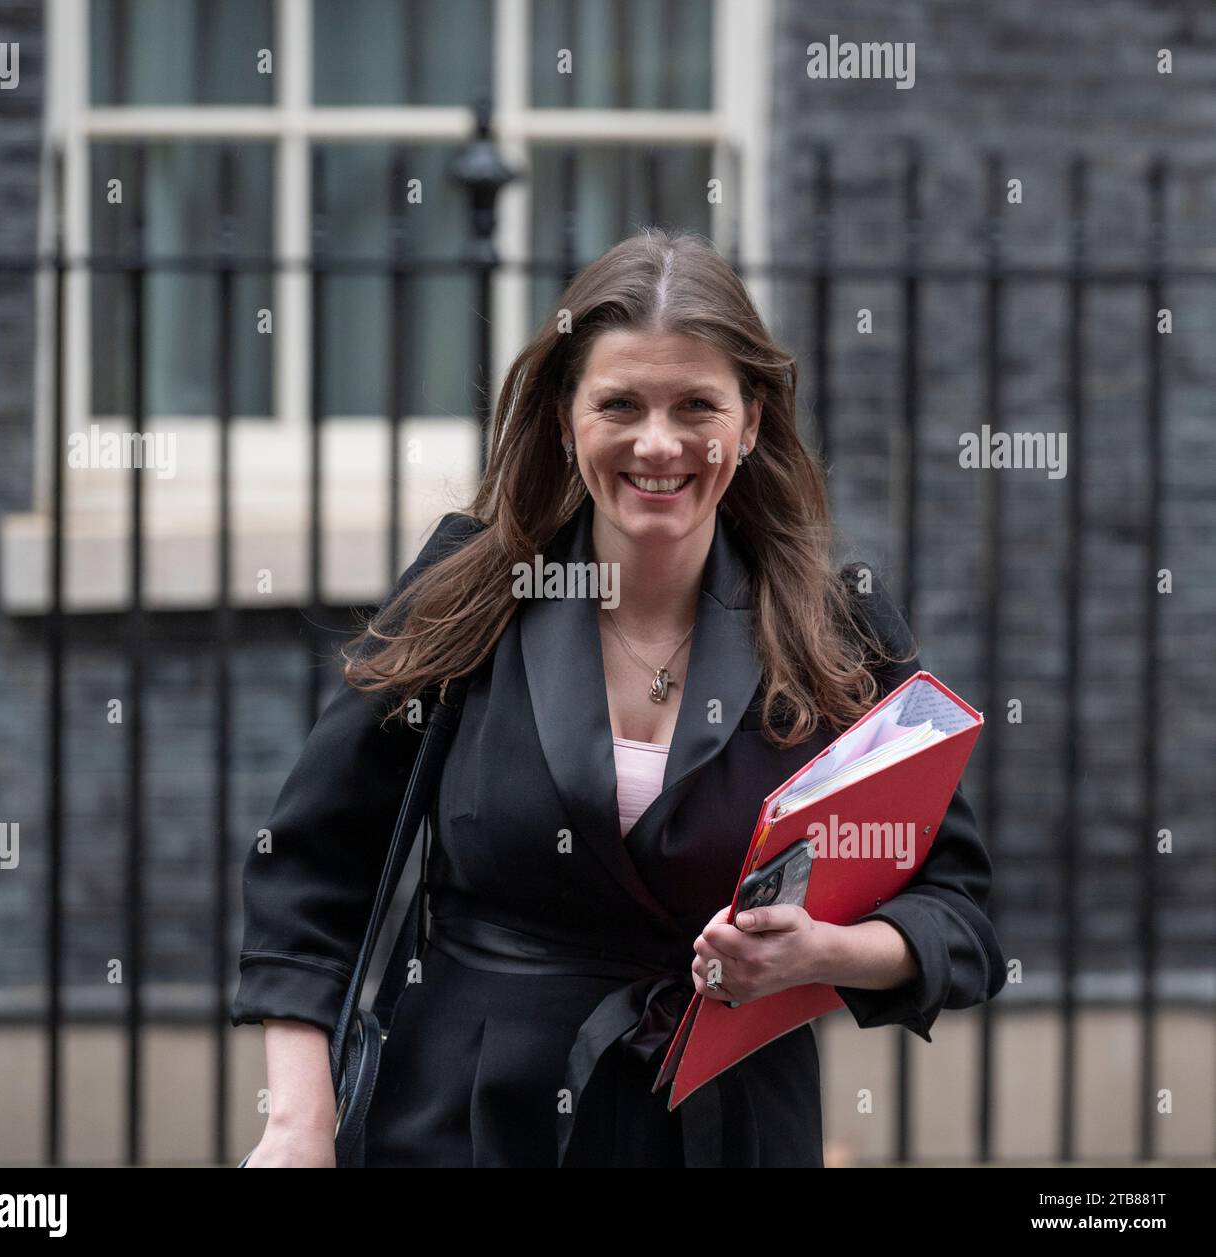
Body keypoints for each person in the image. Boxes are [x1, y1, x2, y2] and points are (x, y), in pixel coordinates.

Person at [231, 227, 1007, 1168]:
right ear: (566, 416)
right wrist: (299, 1119)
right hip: (467, 1120)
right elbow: (313, 863)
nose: (658, 442)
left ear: (751, 421)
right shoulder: (468, 592)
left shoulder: (838, 631)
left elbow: (957, 915)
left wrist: (823, 955)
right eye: (621, 404)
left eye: (696, 406)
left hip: (731, 1128)